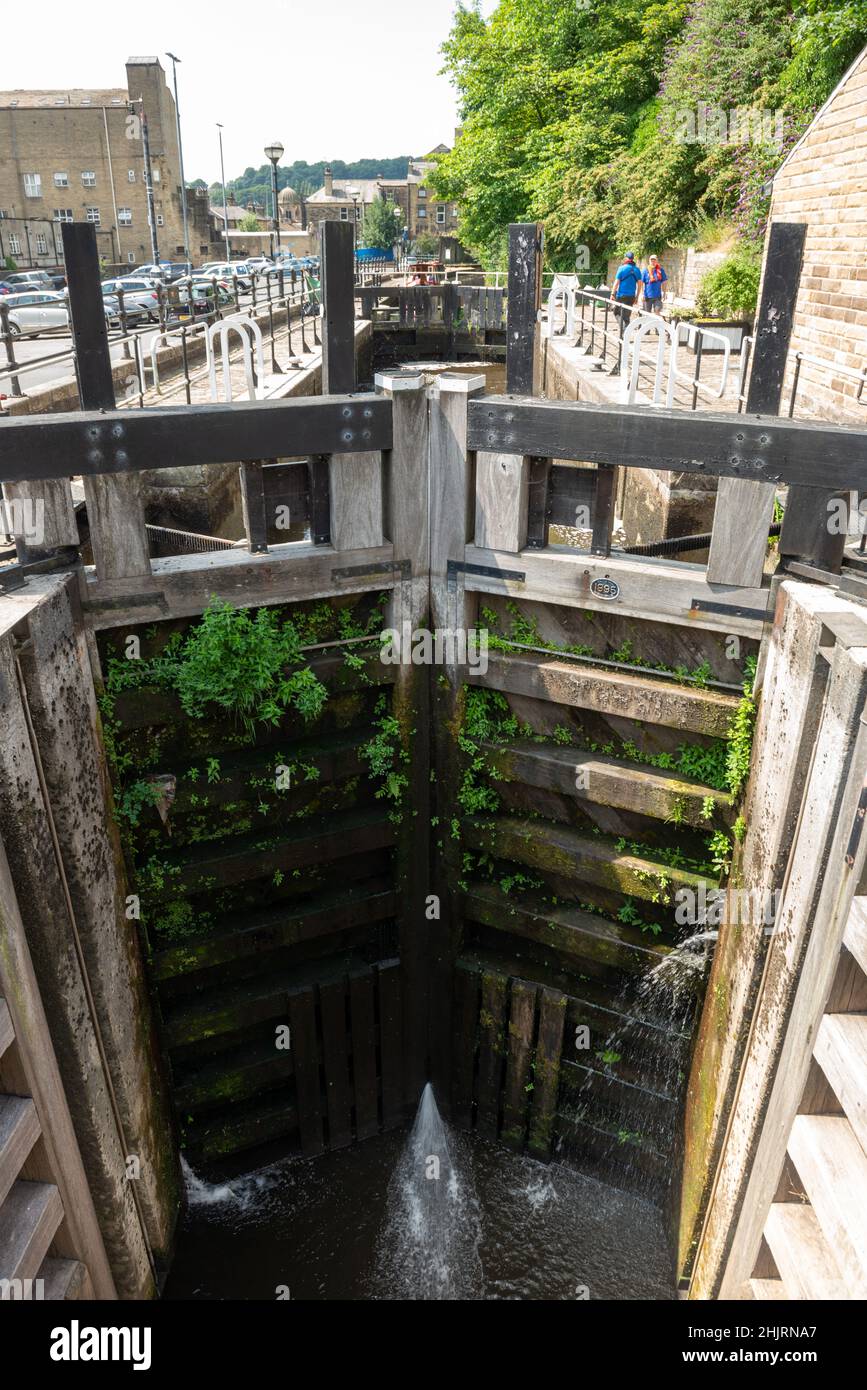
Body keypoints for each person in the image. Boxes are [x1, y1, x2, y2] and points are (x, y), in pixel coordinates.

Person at [612, 251, 643, 333]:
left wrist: (612, 294)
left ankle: (623, 329)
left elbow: (616, 282)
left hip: (621, 295)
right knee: (626, 316)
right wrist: (637, 297)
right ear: (633, 259)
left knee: (616, 312)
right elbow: (640, 285)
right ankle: (625, 334)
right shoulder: (637, 269)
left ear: (626, 258)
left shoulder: (621, 268)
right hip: (631, 296)